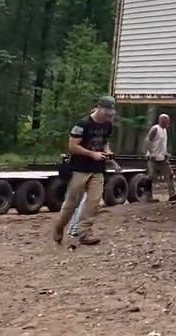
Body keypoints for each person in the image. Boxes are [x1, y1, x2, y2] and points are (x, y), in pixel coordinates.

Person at [51, 96, 117, 247]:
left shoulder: (108, 125)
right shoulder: (83, 124)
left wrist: (108, 152)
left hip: (98, 169)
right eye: (107, 112)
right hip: (79, 169)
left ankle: (85, 233)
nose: (109, 115)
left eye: (111, 113)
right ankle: (59, 227)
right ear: (99, 108)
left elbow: (105, 142)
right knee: (71, 203)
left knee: (93, 202)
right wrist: (91, 154)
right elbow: (72, 146)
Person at [144, 113, 176, 203]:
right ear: (161, 121)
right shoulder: (155, 129)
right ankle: (148, 197)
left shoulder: (165, 130)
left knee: (170, 174)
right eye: (167, 121)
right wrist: (150, 153)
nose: (168, 122)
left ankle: (173, 194)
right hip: (153, 158)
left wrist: (166, 153)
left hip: (162, 158)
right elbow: (147, 141)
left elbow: (162, 143)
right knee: (151, 176)